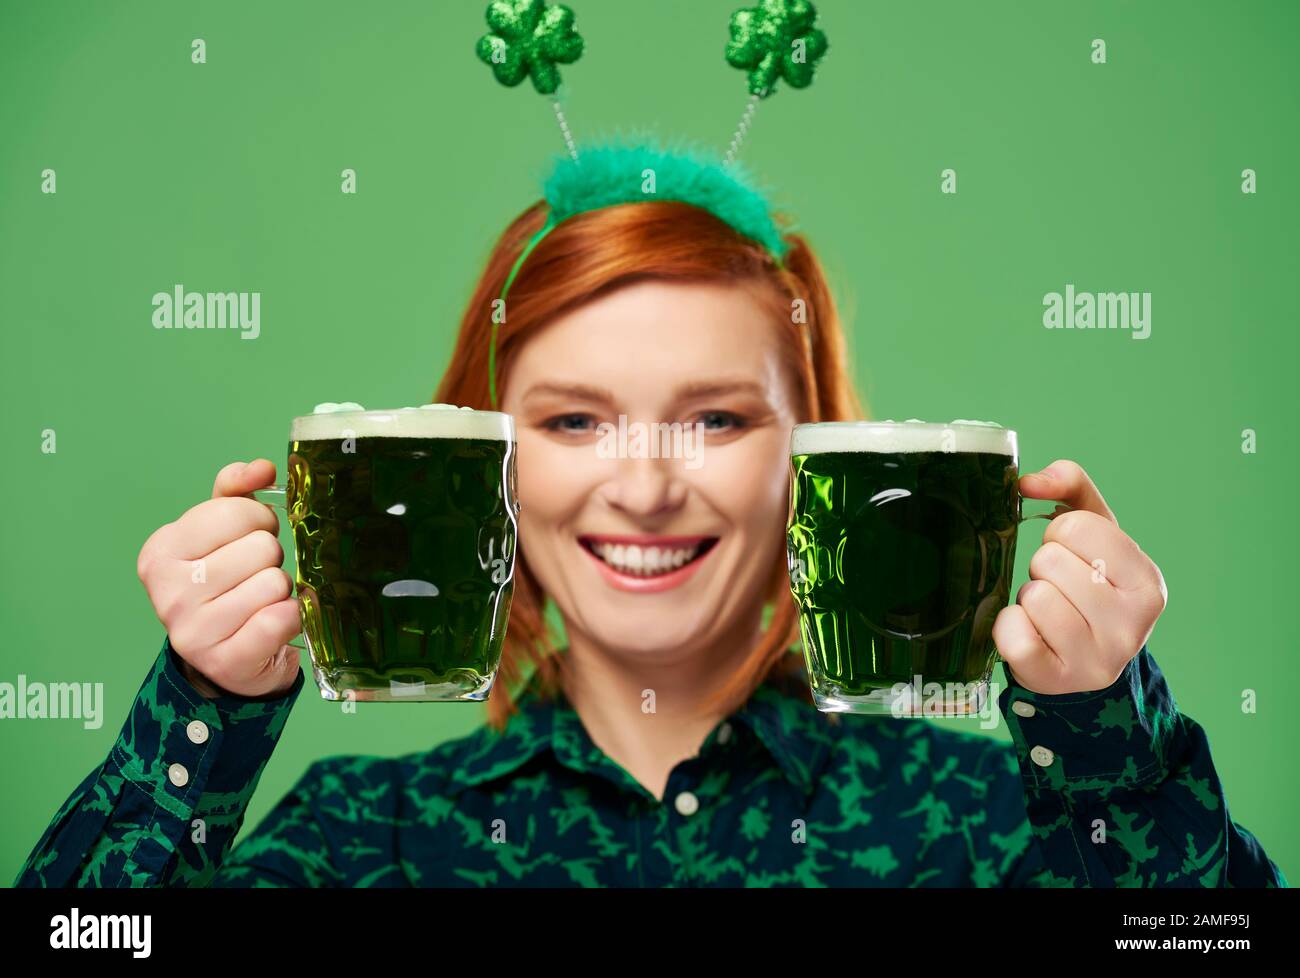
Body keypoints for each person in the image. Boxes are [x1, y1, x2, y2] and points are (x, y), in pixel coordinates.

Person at [15, 145, 1286, 888]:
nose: (644, 484)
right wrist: (200, 709)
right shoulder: (367, 840)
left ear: (815, 467)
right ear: (486, 473)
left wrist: (1104, 729)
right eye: (574, 421)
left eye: (716, 419)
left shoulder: (1002, 827)